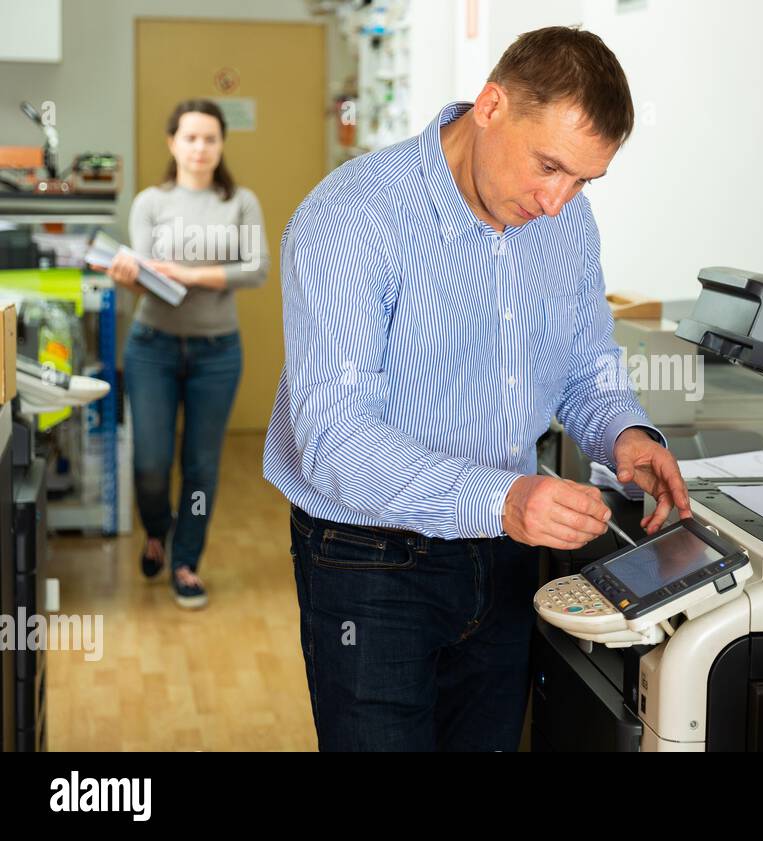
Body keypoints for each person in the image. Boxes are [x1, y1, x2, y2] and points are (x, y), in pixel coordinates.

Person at [263, 26, 690, 751]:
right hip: (372, 560)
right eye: (550, 166)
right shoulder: (352, 219)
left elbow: (586, 364)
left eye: (584, 180)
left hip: (504, 552)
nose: (559, 201)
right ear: (490, 107)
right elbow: (334, 437)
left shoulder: (565, 225)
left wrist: (625, 432)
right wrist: (504, 497)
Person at [103, 98, 267, 608]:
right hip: (152, 349)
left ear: (221, 145)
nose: (200, 147)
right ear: (172, 142)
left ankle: (185, 560)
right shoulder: (151, 202)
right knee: (151, 463)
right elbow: (150, 281)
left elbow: (256, 269)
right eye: (190, 138)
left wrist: (189, 274)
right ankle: (158, 530)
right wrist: (131, 278)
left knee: (200, 465)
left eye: (210, 139)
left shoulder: (240, 201)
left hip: (217, 354)